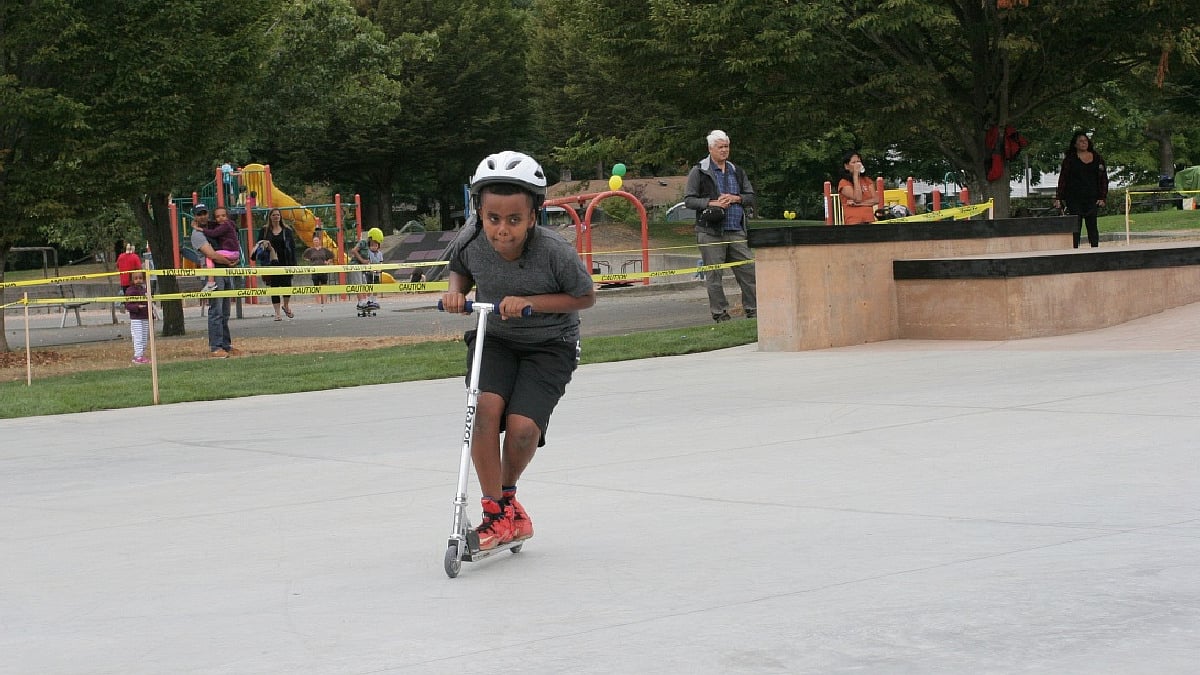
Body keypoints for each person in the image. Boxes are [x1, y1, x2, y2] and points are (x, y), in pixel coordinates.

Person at [441, 150, 595, 550]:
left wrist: (532, 302)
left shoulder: (553, 251)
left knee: (524, 429)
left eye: (514, 219)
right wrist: (456, 293)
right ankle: (498, 514)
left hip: (550, 344)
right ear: (479, 213)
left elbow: (584, 297)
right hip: (495, 336)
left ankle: (508, 501)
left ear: (533, 216)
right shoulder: (471, 238)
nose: (502, 230)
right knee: (484, 410)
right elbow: (459, 266)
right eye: (493, 219)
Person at [683, 129, 757, 322]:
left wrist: (736, 198)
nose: (724, 150)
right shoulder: (699, 170)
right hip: (710, 231)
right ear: (710, 149)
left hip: (736, 229)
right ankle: (720, 313)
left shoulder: (736, 171)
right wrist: (712, 203)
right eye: (720, 147)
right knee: (714, 275)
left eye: (727, 146)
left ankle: (753, 309)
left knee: (748, 270)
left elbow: (750, 197)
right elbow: (689, 200)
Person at [189, 204, 241, 358]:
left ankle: (226, 344)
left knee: (225, 311)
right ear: (195, 217)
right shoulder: (197, 235)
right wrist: (229, 262)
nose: (203, 216)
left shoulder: (215, 227)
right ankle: (216, 346)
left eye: (205, 213)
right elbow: (211, 254)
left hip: (224, 271)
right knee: (216, 311)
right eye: (199, 214)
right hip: (213, 273)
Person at [1053, 131, 1108, 248]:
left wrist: (1102, 197)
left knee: (1092, 226)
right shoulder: (1069, 160)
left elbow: (1103, 179)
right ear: (1075, 144)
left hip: (1092, 198)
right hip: (1074, 198)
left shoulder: (1098, 158)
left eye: (1085, 141)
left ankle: (1095, 250)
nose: (1084, 143)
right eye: (1081, 141)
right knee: (1075, 227)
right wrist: (1059, 197)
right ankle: (1075, 251)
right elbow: (1063, 179)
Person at [255, 208, 297, 320]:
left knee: (287, 286)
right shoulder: (264, 230)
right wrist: (264, 245)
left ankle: (286, 305)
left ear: (280, 217)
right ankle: (277, 313)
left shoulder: (287, 230)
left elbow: (292, 248)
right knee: (274, 287)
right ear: (270, 217)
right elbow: (258, 244)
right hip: (270, 262)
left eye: (278, 215)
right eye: (274, 215)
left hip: (285, 261)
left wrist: (294, 264)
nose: (276, 217)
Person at [199, 206, 242, 292]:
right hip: (233, 253)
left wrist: (201, 229)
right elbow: (213, 225)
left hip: (230, 252)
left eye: (223, 216)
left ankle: (211, 282)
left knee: (210, 256)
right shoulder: (229, 224)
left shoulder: (226, 225)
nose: (221, 218)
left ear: (227, 216)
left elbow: (214, 233)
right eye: (218, 217)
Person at [837, 151, 879, 225]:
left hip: (868, 219)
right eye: (854, 162)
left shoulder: (867, 180)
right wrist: (855, 175)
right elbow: (858, 198)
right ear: (846, 166)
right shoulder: (844, 182)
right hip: (854, 221)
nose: (857, 164)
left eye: (859, 162)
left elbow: (876, 200)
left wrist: (859, 204)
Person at [350, 227, 385, 312]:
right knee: (358, 283)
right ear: (371, 238)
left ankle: (365, 301)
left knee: (363, 283)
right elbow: (354, 251)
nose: (375, 243)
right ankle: (360, 302)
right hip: (356, 265)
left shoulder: (369, 246)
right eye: (375, 241)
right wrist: (362, 260)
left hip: (363, 267)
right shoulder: (363, 243)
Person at [124, 270, 150, 365]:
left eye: (140, 278)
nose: (138, 280)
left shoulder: (145, 290)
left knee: (144, 338)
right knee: (138, 337)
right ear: (132, 280)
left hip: (145, 317)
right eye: (136, 278)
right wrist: (137, 307)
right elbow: (128, 305)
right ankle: (138, 356)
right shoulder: (130, 291)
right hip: (136, 318)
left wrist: (151, 315)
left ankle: (141, 355)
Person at [302, 230, 334, 305]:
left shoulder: (324, 250)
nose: (316, 242)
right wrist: (310, 261)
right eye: (314, 240)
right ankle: (318, 302)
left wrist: (328, 261)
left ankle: (325, 302)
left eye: (317, 240)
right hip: (315, 270)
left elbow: (331, 256)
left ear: (319, 241)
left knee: (324, 286)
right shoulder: (310, 250)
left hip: (323, 270)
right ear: (313, 242)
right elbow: (305, 257)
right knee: (316, 287)